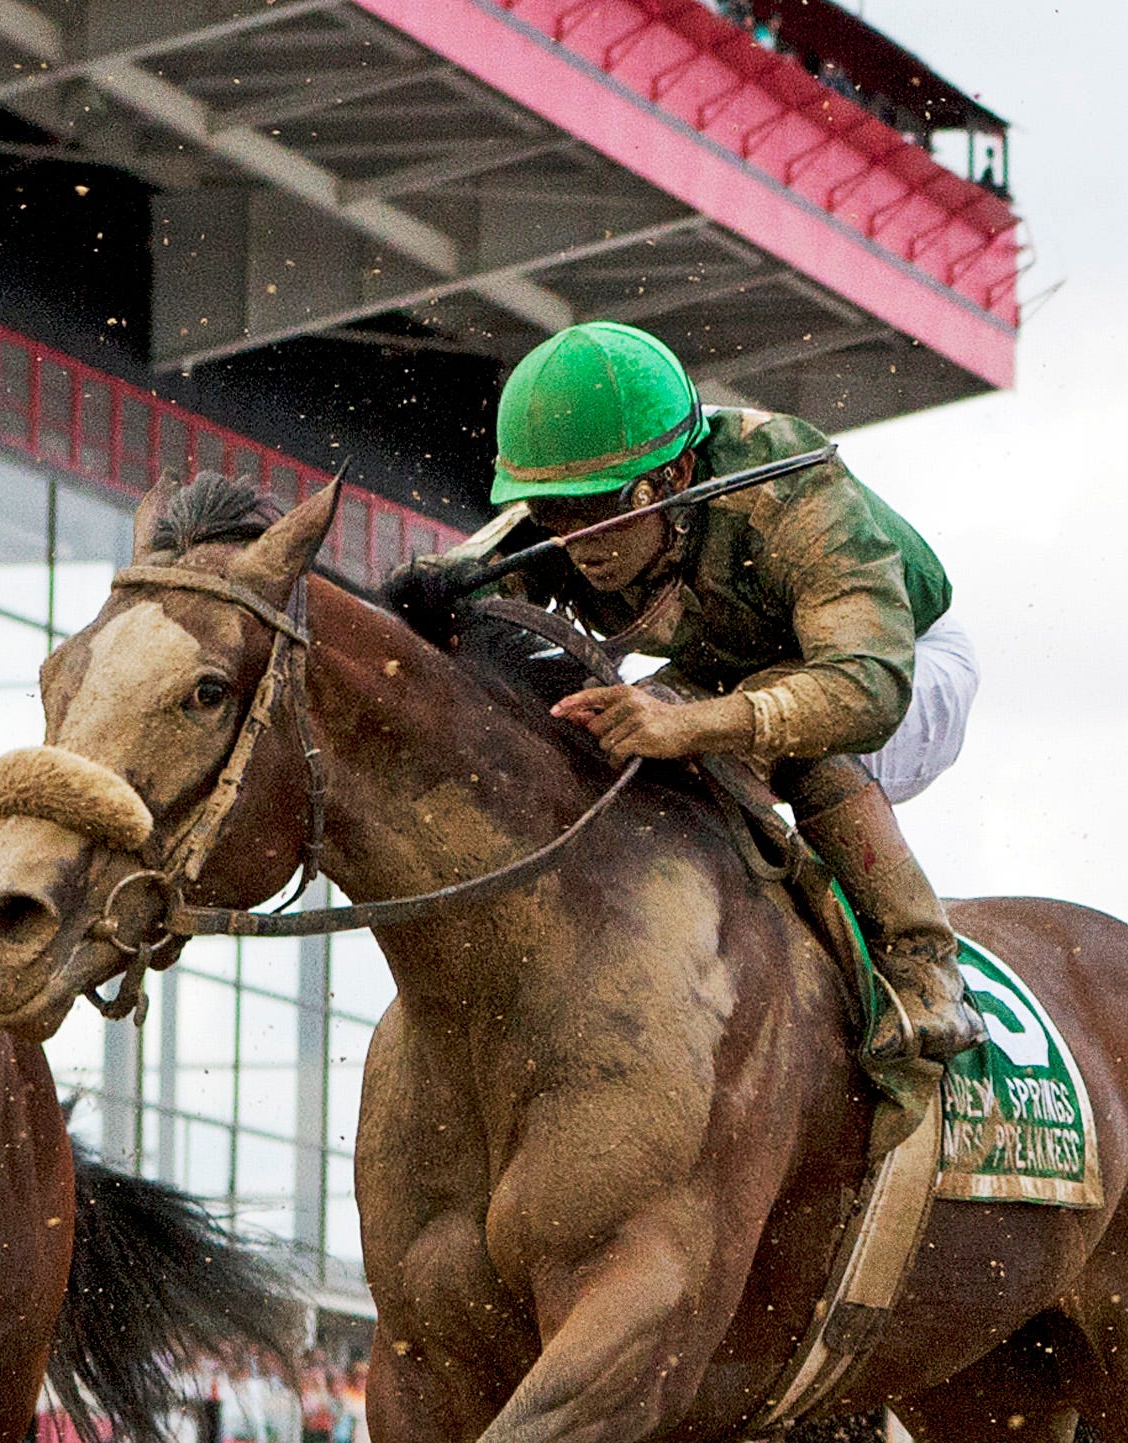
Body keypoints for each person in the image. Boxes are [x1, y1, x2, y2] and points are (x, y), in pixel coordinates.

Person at [399, 320, 987, 1065]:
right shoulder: (563, 518)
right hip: (732, 664)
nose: (580, 542)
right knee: (607, 746)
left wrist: (690, 727)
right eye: (556, 514)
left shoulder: (792, 490)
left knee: (791, 748)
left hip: (904, 665)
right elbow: (442, 601)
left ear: (674, 478)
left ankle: (922, 966)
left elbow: (865, 689)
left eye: (604, 509)